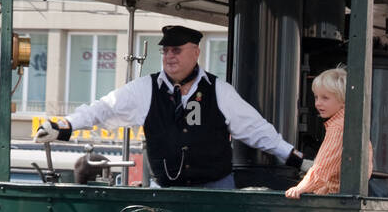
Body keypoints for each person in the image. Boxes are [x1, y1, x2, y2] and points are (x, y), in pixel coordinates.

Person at [33, 25, 307, 188]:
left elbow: (256, 129)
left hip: (215, 190)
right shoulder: (145, 88)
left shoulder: (218, 90)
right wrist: (65, 125)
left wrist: (295, 158)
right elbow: (103, 108)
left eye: (177, 50)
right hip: (165, 188)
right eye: (165, 51)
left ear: (196, 53)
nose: (169, 56)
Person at [286, 68, 370, 198]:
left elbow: (321, 168)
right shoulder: (352, 123)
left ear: (343, 100)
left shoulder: (337, 128)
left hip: (332, 202)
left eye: (325, 98)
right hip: (343, 199)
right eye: (316, 97)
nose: (318, 103)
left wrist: (300, 188)